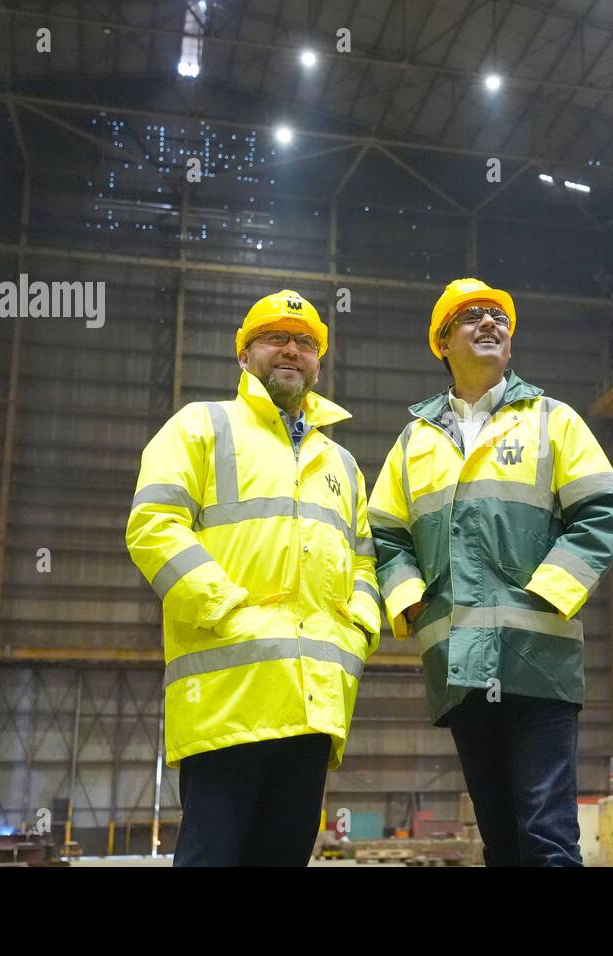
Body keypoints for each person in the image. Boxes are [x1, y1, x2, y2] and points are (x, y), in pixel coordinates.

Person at [369, 278, 613, 866]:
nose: (490, 324)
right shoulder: (414, 442)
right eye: (471, 317)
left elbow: (605, 509)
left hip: (537, 658)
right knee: (502, 841)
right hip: (459, 664)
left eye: (498, 317)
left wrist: (549, 592)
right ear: (442, 342)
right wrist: (410, 600)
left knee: (547, 835)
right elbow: (383, 535)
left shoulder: (551, 420)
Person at [126, 290, 380, 866]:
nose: (291, 350)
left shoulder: (341, 465)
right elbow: (152, 526)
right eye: (274, 338)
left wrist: (357, 629)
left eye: (306, 342)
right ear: (244, 356)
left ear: (318, 363)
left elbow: (365, 559)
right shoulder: (201, 426)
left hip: (313, 702)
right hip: (228, 701)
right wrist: (227, 611)